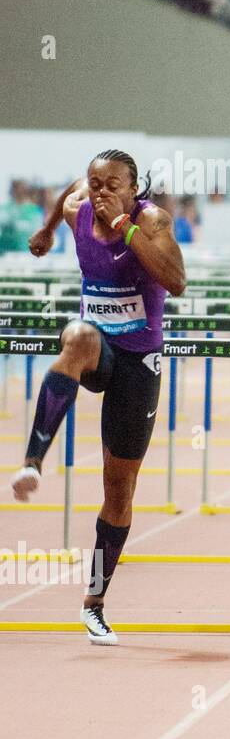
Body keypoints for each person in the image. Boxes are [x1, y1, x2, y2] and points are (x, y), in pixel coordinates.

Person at [12, 150, 187, 645]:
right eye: (95, 184)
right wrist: (47, 231)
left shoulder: (152, 220)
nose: (102, 192)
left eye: (113, 185)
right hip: (98, 349)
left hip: (138, 361)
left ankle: (94, 602)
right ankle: (32, 462)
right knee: (80, 336)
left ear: (135, 191)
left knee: (120, 489)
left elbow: (176, 281)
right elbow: (68, 194)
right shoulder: (77, 209)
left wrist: (126, 228)